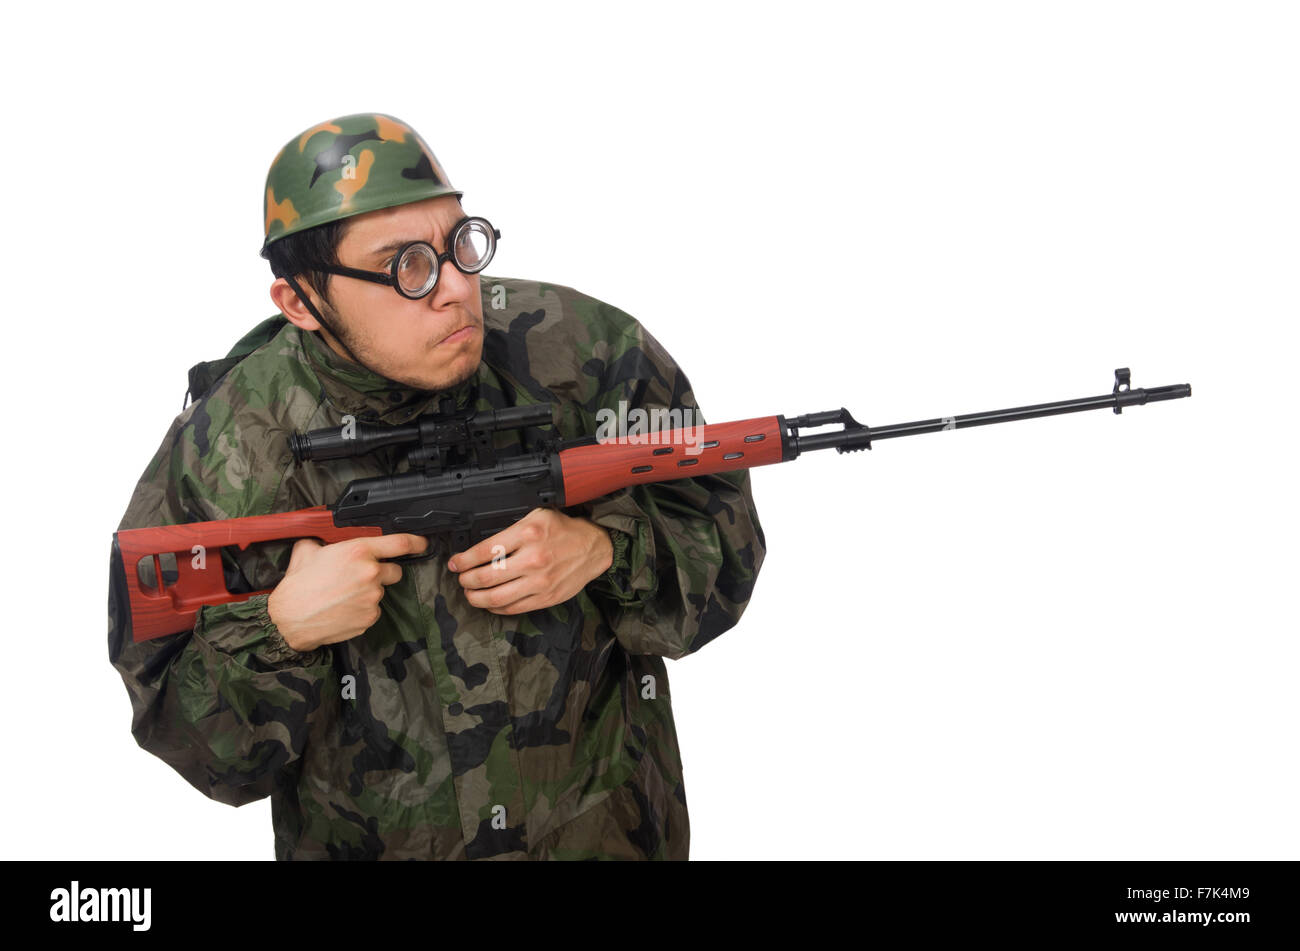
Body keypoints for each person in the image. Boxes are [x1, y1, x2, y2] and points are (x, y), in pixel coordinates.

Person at [108, 112, 767, 860]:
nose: (458, 288)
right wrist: (282, 628)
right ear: (299, 302)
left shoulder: (584, 351)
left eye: (461, 243)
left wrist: (606, 552)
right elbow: (198, 749)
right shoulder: (225, 448)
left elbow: (728, 552)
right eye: (405, 267)